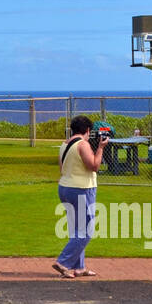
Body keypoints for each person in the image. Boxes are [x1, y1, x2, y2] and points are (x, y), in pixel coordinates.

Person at [53, 115, 108, 278]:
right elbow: (94, 166)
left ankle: (80, 267)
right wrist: (100, 148)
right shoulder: (83, 145)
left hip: (65, 188)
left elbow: (62, 168)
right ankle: (63, 262)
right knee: (86, 230)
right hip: (82, 189)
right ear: (87, 130)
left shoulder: (64, 145)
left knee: (76, 229)